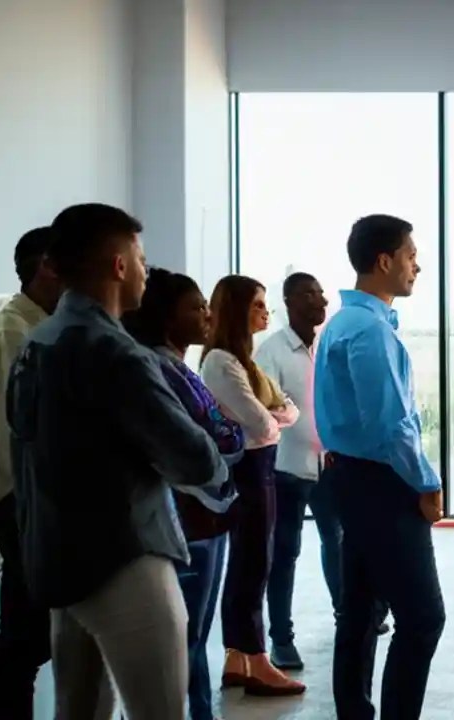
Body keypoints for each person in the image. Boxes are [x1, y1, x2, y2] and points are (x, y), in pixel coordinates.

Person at [7, 203, 228, 719]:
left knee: (77, 710)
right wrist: (218, 465)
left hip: (60, 561)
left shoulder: (35, 344)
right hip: (125, 558)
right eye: (142, 258)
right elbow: (193, 458)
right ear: (118, 264)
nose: (148, 271)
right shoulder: (114, 352)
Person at [315, 214, 445, 719]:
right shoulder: (370, 332)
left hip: (350, 477)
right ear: (384, 261)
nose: (418, 265)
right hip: (382, 484)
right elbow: (391, 428)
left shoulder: (343, 325)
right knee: (423, 617)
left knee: (361, 612)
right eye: (411, 255)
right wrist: (428, 481)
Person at [122, 268, 245, 720]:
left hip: (206, 513)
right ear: (165, 316)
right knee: (180, 641)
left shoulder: (178, 366)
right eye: (195, 307)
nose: (207, 314)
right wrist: (226, 436)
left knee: (193, 638)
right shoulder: (156, 367)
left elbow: (224, 432)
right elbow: (212, 436)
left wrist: (226, 435)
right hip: (186, 515)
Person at [200, 275, 305, 696]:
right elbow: (263, 424)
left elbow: (288, 410)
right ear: (236, 309)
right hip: (247, 471)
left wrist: (273, 416)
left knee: (250, 565)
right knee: (253, 564)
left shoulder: (247, 361)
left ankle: (238, 657)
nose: (265, 310)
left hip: (261, 467)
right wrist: (274, 415)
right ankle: (256, 658)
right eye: (257, 303)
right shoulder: (221, 362)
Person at [0, 226, 62, 719]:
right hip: (19, 495)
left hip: (33, 495)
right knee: (25, 634)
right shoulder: (15, 330)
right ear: (46, 266)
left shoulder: (43, 322)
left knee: (33, 629)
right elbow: (23, 426)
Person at [255, 271, 335, 671]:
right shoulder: (272, 352)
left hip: (329, 465)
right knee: (285, 553)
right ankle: (282, 639)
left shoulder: (328, 345)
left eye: (321, 293)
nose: (319, 300)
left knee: (337, 542)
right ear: (288, 302)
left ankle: (349, 614)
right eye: (308, 294)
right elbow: (264, 408)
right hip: (287, 468)